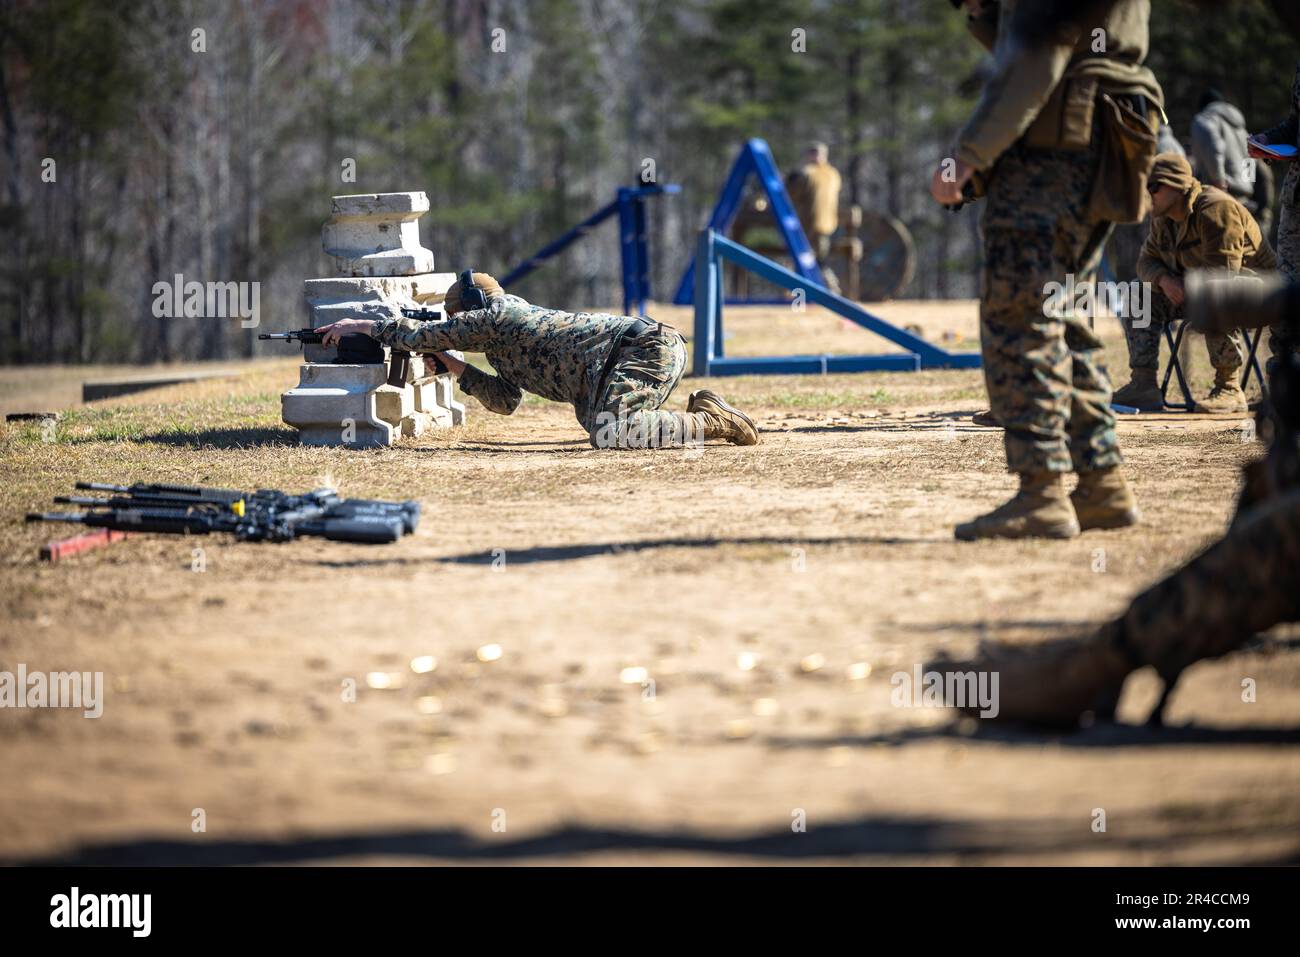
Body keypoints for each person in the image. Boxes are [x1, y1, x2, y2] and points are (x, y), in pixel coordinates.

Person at [933, 0, 1163, 540]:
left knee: (1021, 314)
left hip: (1059, 137)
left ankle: (1041, 492)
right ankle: (1100, 483)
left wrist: (968, 154)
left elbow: (1043, 50)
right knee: (1063, 313)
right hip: (1106, 124)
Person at [315, 272, 759, 449]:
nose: (457, 325)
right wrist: (455, 366)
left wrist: (363, 324)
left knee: (611, 434)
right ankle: (701, 413)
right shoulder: (499, 341)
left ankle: (713, 424)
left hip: (644, 349)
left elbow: (419, 335)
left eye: (459, 318)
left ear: (474, 308)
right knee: (602, 427)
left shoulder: (499, 315)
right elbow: (507, 400)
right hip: (623, 363)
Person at [1115, 153, 1276, 413]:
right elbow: (1145, 262)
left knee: (1214, 290)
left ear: (1177, 185)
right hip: (1195, 291)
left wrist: (1185, 285)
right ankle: (1143, 384)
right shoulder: (1162, 217)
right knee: (1136, 293)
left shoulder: (1216, 209)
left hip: (1256, 295)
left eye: (1153, 187)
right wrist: (1165, 280)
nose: (1147, 194)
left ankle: (1229, 387)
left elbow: (1223, 274)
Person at [1250, 61, 1300, 370]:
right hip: (1296, 196)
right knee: (1286, 281)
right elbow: (1296, 122)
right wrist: (1267, 140)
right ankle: (1285, 367)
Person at [784, 142, 843, 294]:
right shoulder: (834, 174)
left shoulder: (807, 173)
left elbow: (792, 194)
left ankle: (797, 295)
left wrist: (789, 181)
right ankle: (831, 292)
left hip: (807, 224)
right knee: (819, 260)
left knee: (802, 259)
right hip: (827, 223)